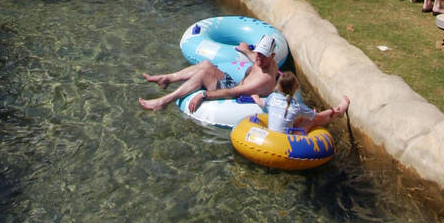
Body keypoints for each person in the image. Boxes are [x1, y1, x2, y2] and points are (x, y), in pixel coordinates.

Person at [139, 35, 280, 112]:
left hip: (235, 94)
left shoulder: (264, 79)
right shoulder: (266, 61)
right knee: (206, 64)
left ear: (272, 56)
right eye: (258, 53)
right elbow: (256, 60)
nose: (259, 58)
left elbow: (234, 92)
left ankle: (163, 102)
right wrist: (246, 50)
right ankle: (168, 78)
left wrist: (204, 94)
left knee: (201, 76)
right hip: (234, 84)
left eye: (263, 55)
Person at [266, 71, 349, 134]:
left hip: (271, 138)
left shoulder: (272, 97)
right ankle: (339, 112)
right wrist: (332, 110)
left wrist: (254, 95)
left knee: (299, 118)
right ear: (296, 87)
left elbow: (261, 103)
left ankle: (337, 112)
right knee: (313, 120)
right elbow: (319, 117)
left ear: (278, 86)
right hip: (286, 141)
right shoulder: (297, 106)